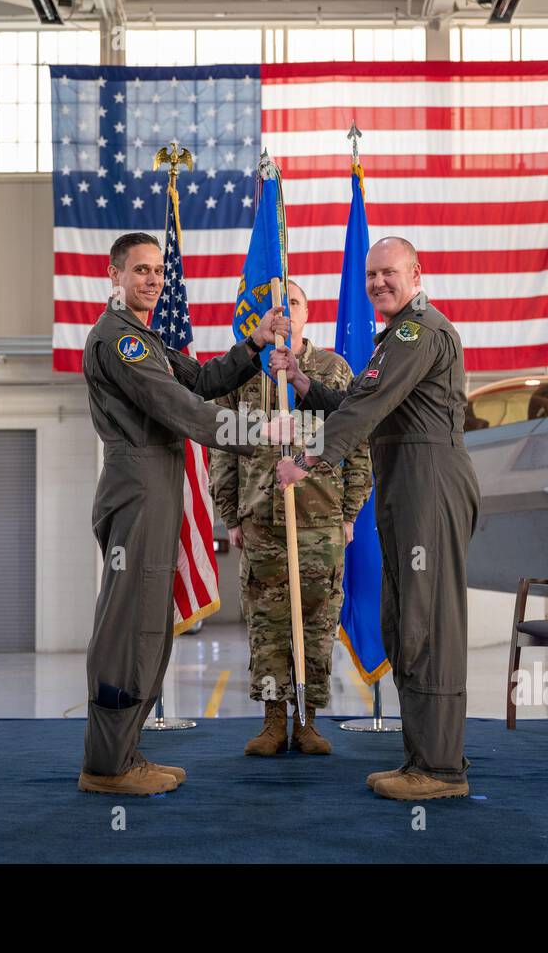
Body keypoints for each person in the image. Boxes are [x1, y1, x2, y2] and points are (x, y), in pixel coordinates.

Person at [79, 231, 289, 796]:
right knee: (130, 625)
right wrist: (261, 432)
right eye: (140, 269)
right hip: (139, 481)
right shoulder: (120, 341)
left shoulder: (144, 337)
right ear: (114, 274)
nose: (151, 279)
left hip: (158, 479)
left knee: (150, 621)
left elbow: (201, 380)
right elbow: (184, 408)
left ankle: (124, 752)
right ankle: (107, 765)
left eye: (157, 271)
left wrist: (255, 344)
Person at [272, 236, 479, 801]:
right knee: (404, 621)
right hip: (406, 483)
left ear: (417, 272)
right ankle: (423, 759)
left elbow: (368, 405)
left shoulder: (418, 332)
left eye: (389, 272)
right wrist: (305, 386)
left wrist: (310, 459)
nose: (377, 283)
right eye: (371, 276)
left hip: (428, 483)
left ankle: (440, 770)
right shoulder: (396, 339)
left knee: (428, 623)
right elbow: (363, 399)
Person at [209, 279, 372, 757]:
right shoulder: (241, 373)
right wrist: (230, 514)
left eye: (293, 303)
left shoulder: (334, 370)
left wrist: (350, 512)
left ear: (308, 312)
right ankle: (272, 721)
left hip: (321, 519)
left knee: (318, 625)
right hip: (261, 518)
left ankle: (308, 720)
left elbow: (357, 442)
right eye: (276, 306)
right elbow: (223, 450)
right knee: (267, 624)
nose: (285, 312)